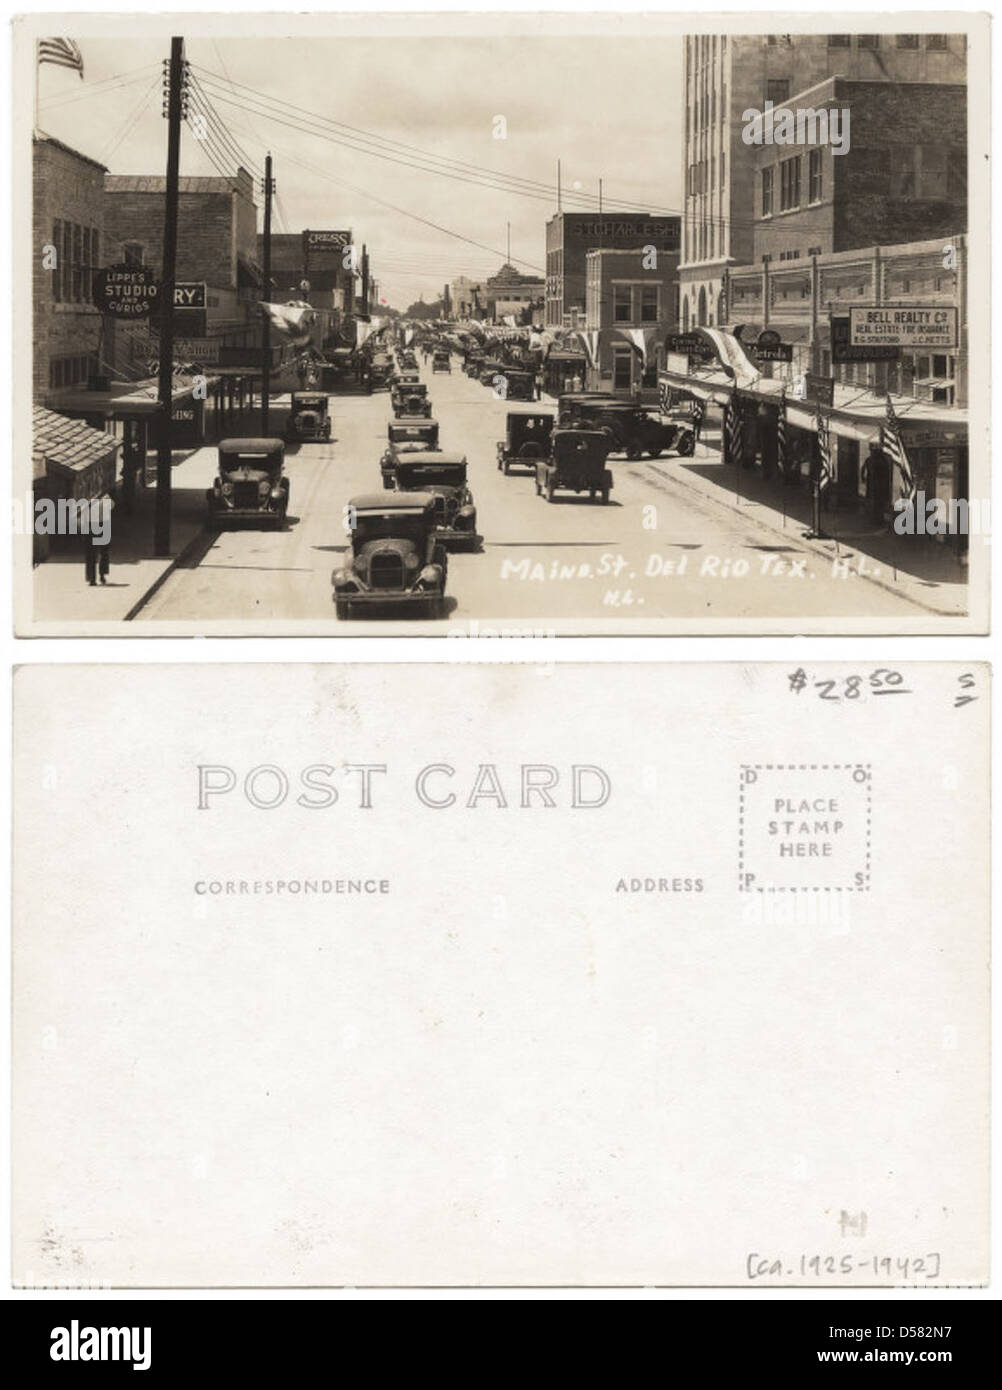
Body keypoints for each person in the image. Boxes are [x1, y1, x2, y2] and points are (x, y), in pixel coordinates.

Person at [85, 491, 114, 586]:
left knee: (90, 554)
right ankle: (102, 575)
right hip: (103, 525)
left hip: (90, 525)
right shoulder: (105, 497)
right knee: (103, 552)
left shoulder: (85, 498)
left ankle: (92, 578)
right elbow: (112, 506)